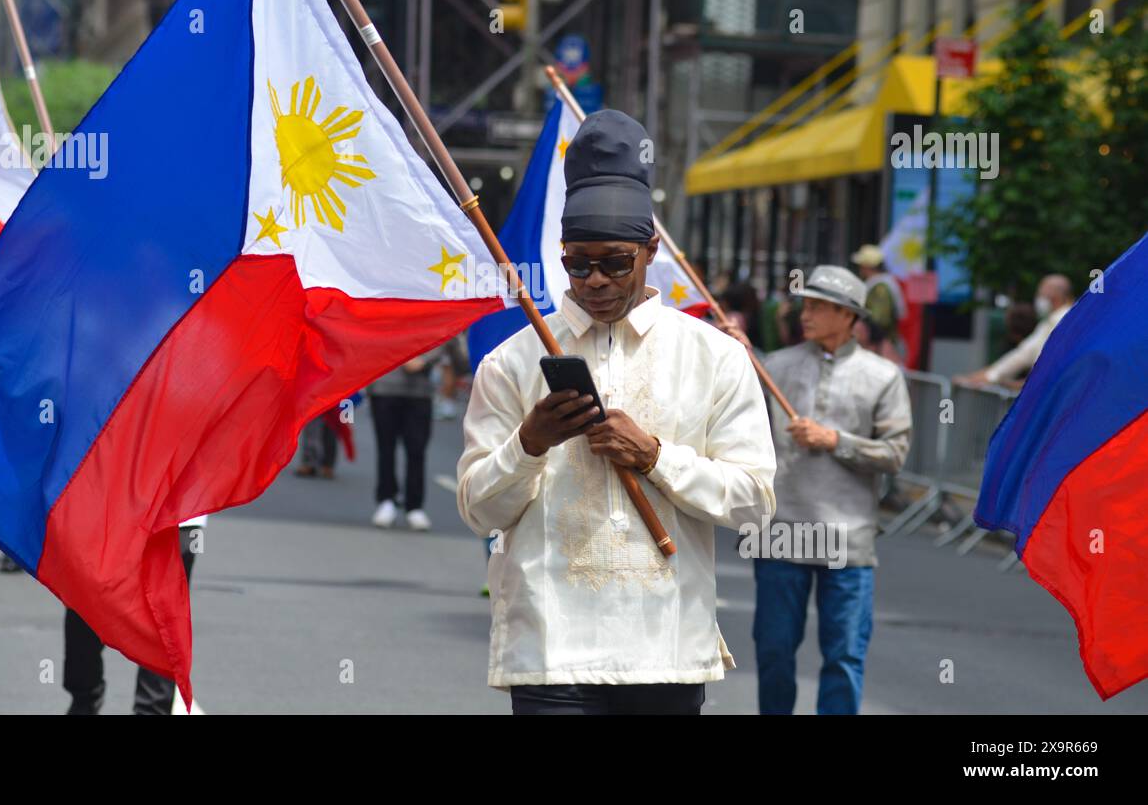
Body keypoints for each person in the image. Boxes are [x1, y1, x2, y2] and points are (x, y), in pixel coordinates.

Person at [457, 109, 777, 716]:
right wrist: (529, 442)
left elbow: (754, 500)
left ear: (651, 250)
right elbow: (479, 510)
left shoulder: (713, 357)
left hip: (665, 650)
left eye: (613, 262)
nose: (595, 280)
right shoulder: (513, 361)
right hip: (550, 649)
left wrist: (656, 458)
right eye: (577, 264)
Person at [727, 265, 911, 715]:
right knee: (772, 650)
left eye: (818, 306)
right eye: (805, 304)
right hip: (781, 531)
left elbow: (895, 454)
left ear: (849, 316)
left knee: (844, 656)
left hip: (848, 539)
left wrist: (836, 440)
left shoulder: (883, 376)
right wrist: (734, 354)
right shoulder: (778, 366)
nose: (804, 314)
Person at [64, 516, 205, 714]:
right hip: (110, 507)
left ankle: (152, 710)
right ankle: (84, 697)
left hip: (177, 513)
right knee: (85, 602)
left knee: (163, 619)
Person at [369, 337, 465, 530]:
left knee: (416, 450)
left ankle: (414, 506)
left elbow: (448, 333)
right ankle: (386, 500)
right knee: (386, 448)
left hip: (419, 392)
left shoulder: (435, 306)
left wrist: (423, 359)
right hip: (384, 386)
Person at [953, 274, 1074, 388]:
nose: (1038, 299)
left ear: (1056, 297)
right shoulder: (1055, 321)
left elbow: (1022, 357)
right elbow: (1021, 355)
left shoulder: (1060, 321)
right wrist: (983, 377)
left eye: (1041, 294)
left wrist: (982, 378)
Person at [850, 245, 906, 348]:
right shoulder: (876, 284)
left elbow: (879, 320)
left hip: (878, 345)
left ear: (867, 266)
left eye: (861, 265)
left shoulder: (881, 288)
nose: (860, 268)